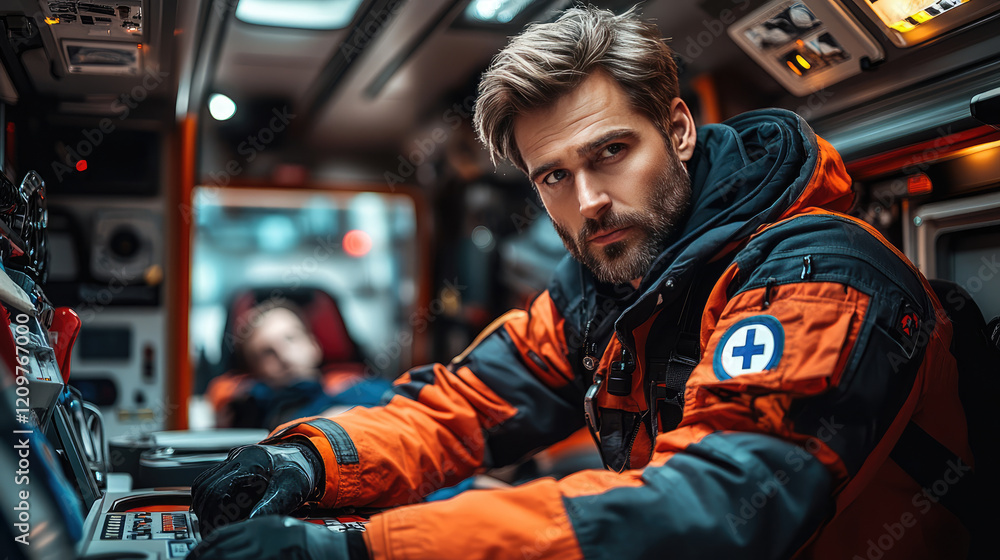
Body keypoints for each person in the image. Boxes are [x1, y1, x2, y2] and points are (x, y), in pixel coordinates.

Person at [188, 7, 976, 559]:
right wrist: (308, 461)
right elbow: (465, 408)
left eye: (609, 153)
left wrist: (363, 548)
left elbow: (717, 513)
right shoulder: (601, 289)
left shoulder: (821, 278)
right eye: (554, 176)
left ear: (677, 129)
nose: (588, 201)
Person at [205, 300, 389, 430]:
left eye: (291, 339)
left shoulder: (366, 388)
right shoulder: (249, 410)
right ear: (255, 371)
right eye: (267, 352)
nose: (284, 355)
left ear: (314, 344)